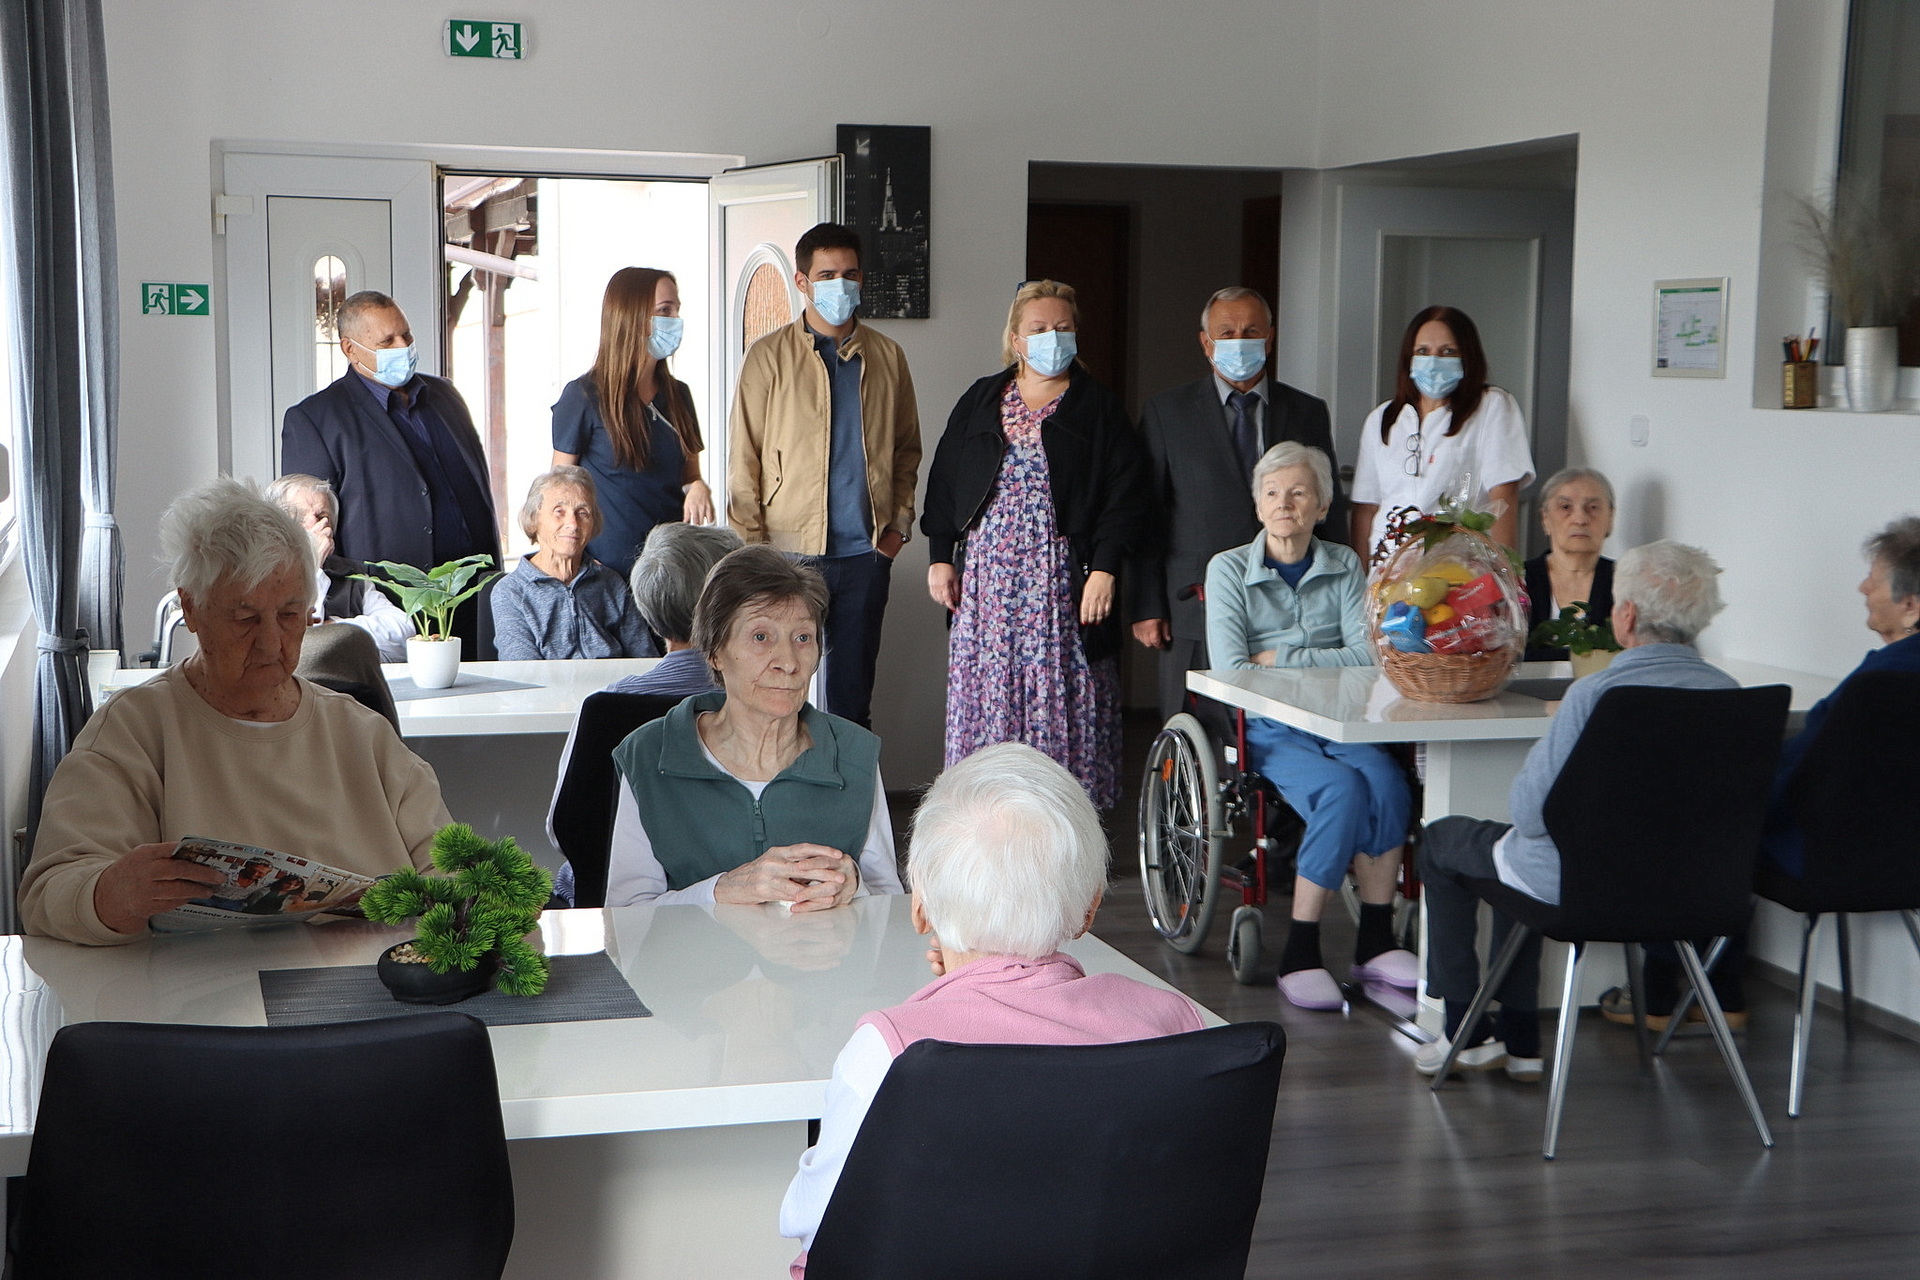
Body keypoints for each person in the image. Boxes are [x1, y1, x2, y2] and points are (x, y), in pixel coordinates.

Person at [777, 742, 1207, 1274]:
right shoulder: (1174, 1022)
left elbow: (817, 1223)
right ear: (1089, 908)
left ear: (920, 905)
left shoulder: (893, 1051)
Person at [20, 477, 452, 946]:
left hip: (373, 993)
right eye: (245, 619)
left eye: (289, 615)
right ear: (192, 608)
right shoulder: (134, 731)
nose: (271, 644)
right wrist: (109, 894)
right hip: (202, 1005)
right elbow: (48, 893)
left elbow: (449, 866)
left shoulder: (361, 733)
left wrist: (485, 894)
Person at [1415, 540, 1738, 1079]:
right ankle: (1518, 1039)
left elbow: (1531, 813)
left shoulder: (1596, 695)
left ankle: (1464, 1030)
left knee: (1447, 842)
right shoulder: (1729, 695)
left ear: (1626, 616)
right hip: (1690, 892)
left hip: (1583, 889)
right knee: (1511, 861)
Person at [1601, 518, 1920, 1035]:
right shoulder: (1893, 679)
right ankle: (1717, 992)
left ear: (1911, 605)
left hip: (1823, 858)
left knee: (1696, 822)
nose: (1863, 587)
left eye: (1875, 579)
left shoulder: (1876, 684)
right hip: (1905, 862)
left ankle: (1664, 991)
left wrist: (1724, 794)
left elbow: (1801, 780)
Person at [921, 279, 1149, 808]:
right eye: (1040, 329)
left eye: (1063, 328)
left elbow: (1126, 494)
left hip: (1063, 582)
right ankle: (984, 828)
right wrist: (939, 557)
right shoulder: (981, 398)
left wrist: (1106, 569)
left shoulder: (1099, 407)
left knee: (1061, 703)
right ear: (1016, 339)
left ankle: (1063, 838)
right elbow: (946, 480)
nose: (1053, 337)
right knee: (990, 702)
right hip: (987, 583)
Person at [1205, 442, 1415, 1009]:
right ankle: (1301, 949)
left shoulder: (1344, 563)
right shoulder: (1227, 569)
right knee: (1341, 791)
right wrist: (1316, 654)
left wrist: (1281, 655)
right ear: (1257, 505)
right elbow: (1234, 669)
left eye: (1299, 493)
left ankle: (1375, 942)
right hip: (1270, 726)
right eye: (1272, 493)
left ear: (1322, 505)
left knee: (1390, 783)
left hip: (1341, 717)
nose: (1285, 504)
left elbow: (1366, 658)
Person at [604, 546, 905, 907]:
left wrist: (855, 886)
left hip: (823, 963)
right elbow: (626, 919)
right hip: (697, 965)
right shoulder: (649, 755)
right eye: (761, 637)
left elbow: (890, 907)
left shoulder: (854, 753)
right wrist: (722, 890)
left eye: (803, 638)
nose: (789, 662)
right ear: (715, 651)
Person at [727, 223, 921, 729]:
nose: (841, 284)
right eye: (827, 274)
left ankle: (849, 805)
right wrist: (753, 554)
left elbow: (906, 451)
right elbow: (743, 460)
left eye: (850, 273)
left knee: (852, 702)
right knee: (775, 694)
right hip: (787, 557)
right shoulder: (768, 357)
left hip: (864, 556)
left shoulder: (887, 357)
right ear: (802, 281)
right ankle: (776, 803)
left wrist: (896, 530)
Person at [1128, 286, 1344, 718]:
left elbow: (1329, 509)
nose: (1239, 341)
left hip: (1294, 605)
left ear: (1270, 337)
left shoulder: (1307, 411)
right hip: (1195, 604)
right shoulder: (1166, 412)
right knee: (1196, 731)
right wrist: (1146, 604)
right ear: (1206, 343)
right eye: (1227, 332)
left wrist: (1338, 594)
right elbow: (1145, 516)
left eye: (1251, 331)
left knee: (1283, 727)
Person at [280, 291, 501, 658]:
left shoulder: (445, 396)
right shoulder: (315, 419)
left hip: (471, 598)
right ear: (350, 349)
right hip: (389, 612)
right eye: (387, 341)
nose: (403, 346)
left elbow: (477, 491)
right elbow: (310, 528)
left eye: (407, 336)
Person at [544, 521, 743, 904]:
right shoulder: (764, 705)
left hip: (601, 912)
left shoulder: (606, 706)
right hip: (735, 911)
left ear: (648, 608)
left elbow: (562, 829)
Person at [551, 266, 712, 579]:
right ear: (631, 315)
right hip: (605, 573)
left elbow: (690, 474)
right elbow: (560, 490)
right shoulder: (583, 395)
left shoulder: (679, 395)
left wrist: (698, 487)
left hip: (669, 570)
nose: (675, 320)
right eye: (664, 311)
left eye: (676, 310)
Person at [1348, 305, 1534, 565]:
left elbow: (1502, 496)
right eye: (1423, 352)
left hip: (1459, 573)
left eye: (1448, 352)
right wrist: (1362, 580)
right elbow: (1366, 508)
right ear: (1409, 358)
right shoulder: (1382, 418)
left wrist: (1504, 577)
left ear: (1467, 356)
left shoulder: (1492, 406)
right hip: (1388, 572)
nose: (1434, 362)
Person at [489, 466, 653, 661]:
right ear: (533, 519)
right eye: (559, 511)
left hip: (613, 688)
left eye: (583, 513)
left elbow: (644, 659)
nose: (573, 524)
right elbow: (522, 671)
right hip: (548, 690)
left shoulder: (611, 582)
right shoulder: (511, 592)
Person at [264, 473, 414, 661]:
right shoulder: (263, 575)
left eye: (323, 516)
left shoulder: (350, 573)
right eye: (301, 516)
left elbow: (403, 630)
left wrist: (333, 627)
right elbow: (299, 639)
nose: (317, 524)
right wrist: (312, 566)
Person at [1523, 467, 1617, 661]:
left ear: (1610, 518)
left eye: (1593, 507)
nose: (1580, 519)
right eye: (1565, 507)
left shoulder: (1627, 582)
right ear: (1545, 519)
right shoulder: (1516, 580)